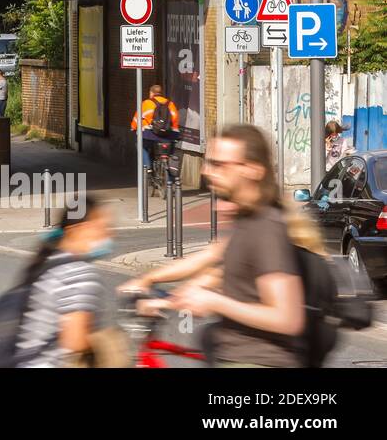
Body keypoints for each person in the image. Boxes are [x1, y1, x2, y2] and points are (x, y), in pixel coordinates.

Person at [120, 124, 309, 368]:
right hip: (231, 356)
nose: (207, 171)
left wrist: (214, 302)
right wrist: (156, 288)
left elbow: (287, 317)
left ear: (252, 170)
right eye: (209, 162)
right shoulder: (247, 222)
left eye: (219, 165)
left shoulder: (266, 228)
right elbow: (214, 266)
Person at [10, 195, 113, 367]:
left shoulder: (48, 262)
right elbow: (76, 341)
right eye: (101, 228)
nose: (108, 234)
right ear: (76, 230)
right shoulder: (79, 272)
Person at [131, 84, 179, 174]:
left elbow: (136, 119)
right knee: (170, 153)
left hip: (150, 134)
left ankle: (148, 166)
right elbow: (175, 119)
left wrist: (133, 128)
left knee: (141, 145)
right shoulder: (170, 104)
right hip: (169, 135)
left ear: (151, 93)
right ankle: (171, 176)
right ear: (161, 93)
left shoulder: (146, 103)